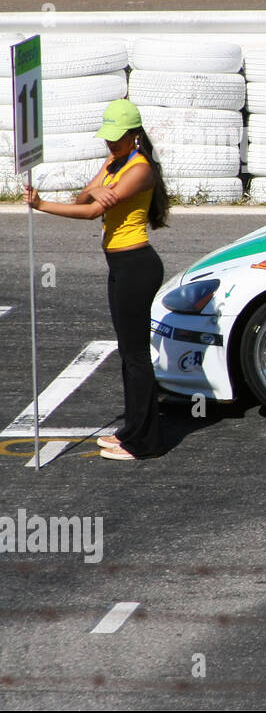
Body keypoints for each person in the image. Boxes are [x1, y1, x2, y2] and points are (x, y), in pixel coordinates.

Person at [24, 99, 169, 461]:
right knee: (128, 353)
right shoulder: (115, 161)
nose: (111, 144)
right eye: (107, 138)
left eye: (117, 138)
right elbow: (84, 196)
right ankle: (132, 430)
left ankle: (144, 443)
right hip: (120, 266)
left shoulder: (139, 169)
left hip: (137, 266)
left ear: (135, 134)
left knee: (136, 357)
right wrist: (99, 186)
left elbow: (90, 212)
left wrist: (42, 205)